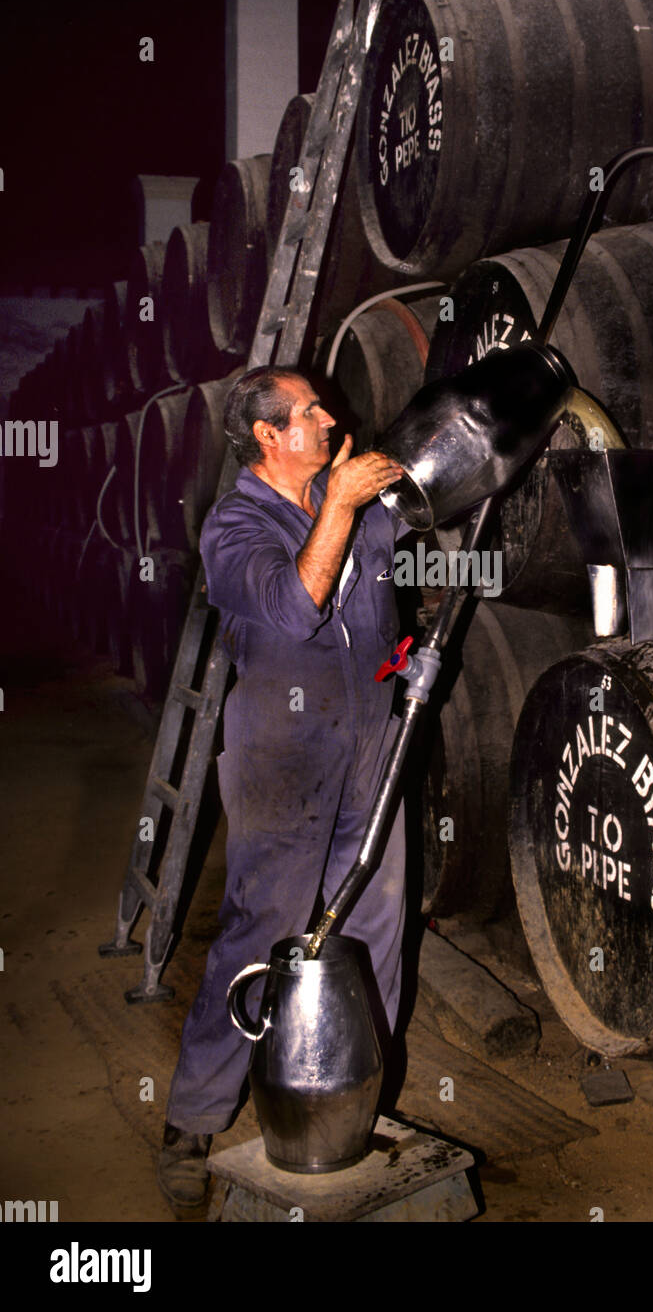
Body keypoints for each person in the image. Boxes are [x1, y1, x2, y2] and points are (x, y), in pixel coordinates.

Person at [157, 365, 408, 1209]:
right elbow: (296, 609)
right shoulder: (233, 526)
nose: (330, 417)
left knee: (374, 928)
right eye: (310, 413)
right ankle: (192, 1120)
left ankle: (354, 1098)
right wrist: (337, 505)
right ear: (269, 436)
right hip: (283, 757)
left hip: (369, 744)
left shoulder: (357, 504)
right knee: (260, 939)